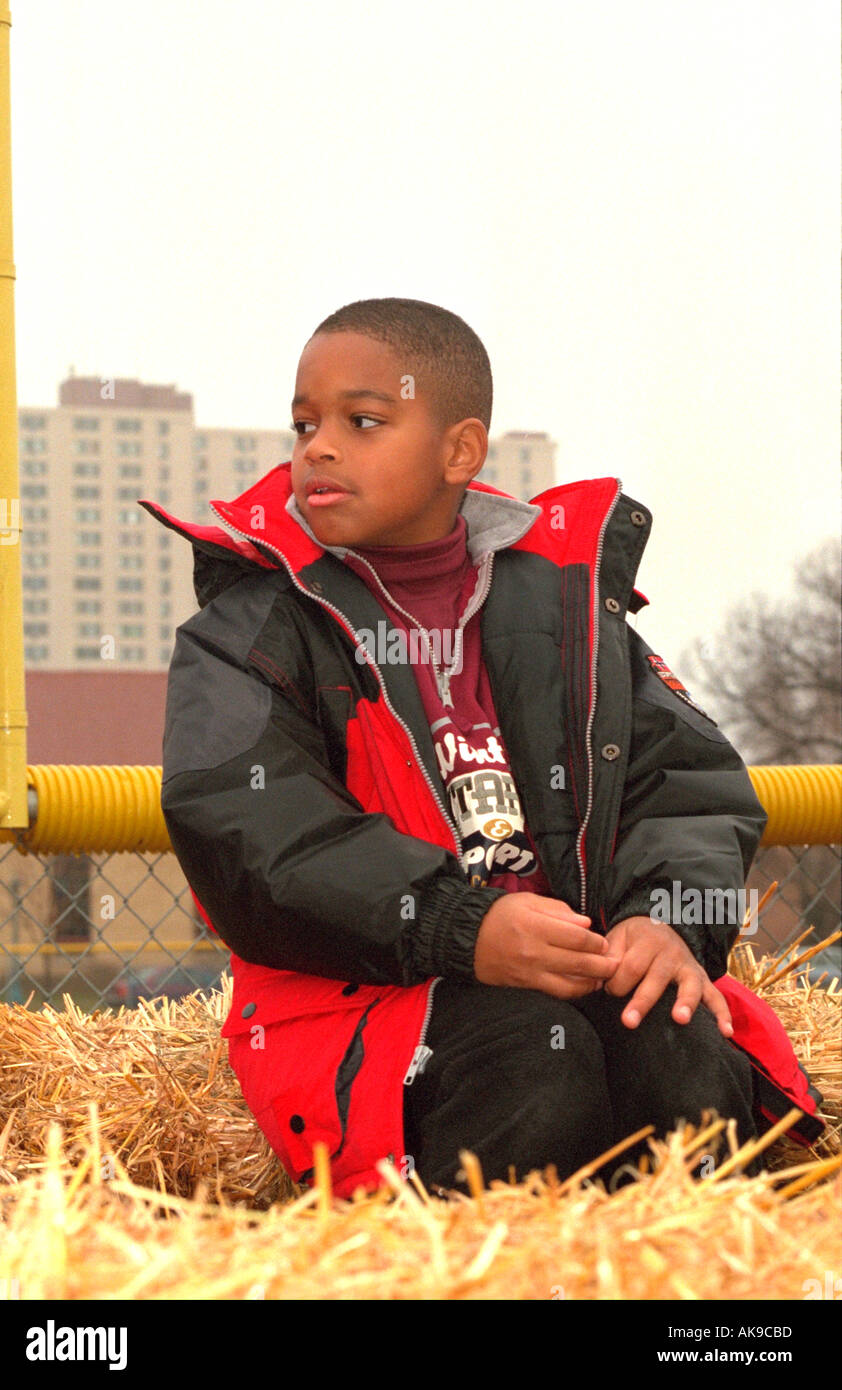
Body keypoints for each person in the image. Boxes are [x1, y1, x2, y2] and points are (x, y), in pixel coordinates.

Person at [141, 297, 812, 1199]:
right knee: (536, 1057)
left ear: (460, 451)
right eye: (304, 424)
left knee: (677, 1038)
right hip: (372, 999)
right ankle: (472, 1259)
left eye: (361, 421)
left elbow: (686, 784)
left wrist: (664, 921)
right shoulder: (249, 626)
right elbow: (252, 837)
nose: (317, 448)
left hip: (575, 969)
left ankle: (686, 1273)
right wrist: (460, 928)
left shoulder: (567, 601)